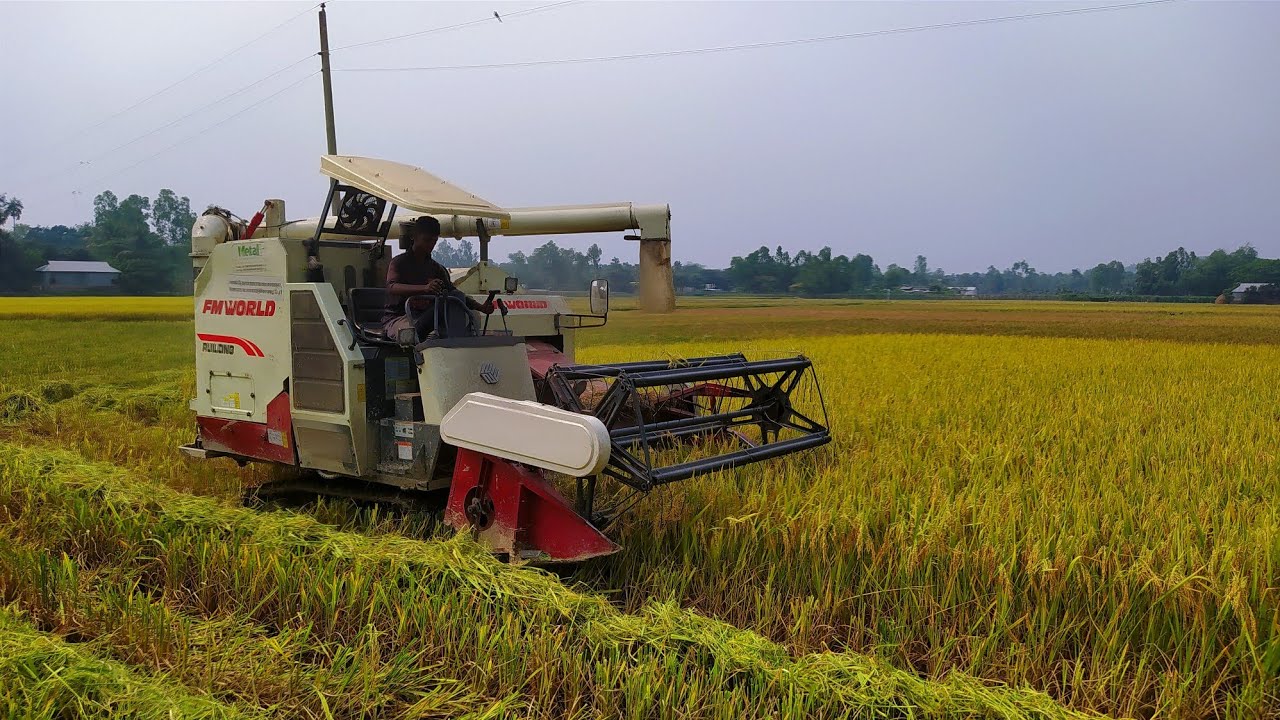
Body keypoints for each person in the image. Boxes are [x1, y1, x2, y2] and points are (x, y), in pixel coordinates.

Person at [382, 216, 493, 342]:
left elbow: (454, 295)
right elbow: (392, 286)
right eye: (427, 240)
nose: (431, 245)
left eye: (434, 241)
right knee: (410, 335)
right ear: (414, 237)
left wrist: (481, 307)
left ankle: (456, 347)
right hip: (400, 317)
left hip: (428, 316)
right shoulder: (399, 263)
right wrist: (424, 288)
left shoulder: (436, 268)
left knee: (458, 302)